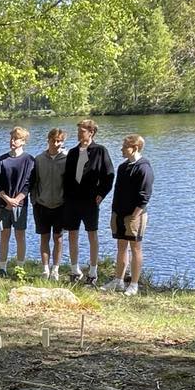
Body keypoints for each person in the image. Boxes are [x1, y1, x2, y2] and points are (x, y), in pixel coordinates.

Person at [61, 118, 114, 286]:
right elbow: (67, 176)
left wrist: (101, 194)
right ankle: (75, 269)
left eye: (82, 131)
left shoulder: (100, 151)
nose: (79, 134)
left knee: (92, 234)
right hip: (72, 200)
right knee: (72, 234)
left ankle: (93, 271)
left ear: (91, 132)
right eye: (78, 131)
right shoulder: (73, 152)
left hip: (90, 200)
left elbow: (109, 175)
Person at [104, 134, 154, 296]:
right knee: (121, 247)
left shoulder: (144, 167)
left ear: (135, 148)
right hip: (119, 213)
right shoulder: (123, 167)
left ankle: (133, 284)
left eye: (125, 146)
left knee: (136, 247)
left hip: (135, 215)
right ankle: (118, 280)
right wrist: (115, 211)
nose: (122, 149)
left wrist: (135, 216)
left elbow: (145, 195)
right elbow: (118, 191)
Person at [0, 126, 34, 275]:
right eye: (11, 138)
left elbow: (29, 184)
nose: (12, 141)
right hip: (3, 204)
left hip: (20, 205)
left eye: (16, 139)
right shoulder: (1, 160)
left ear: (23, 141)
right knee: (4, 235)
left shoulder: (29, 160)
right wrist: (7, 199)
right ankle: (2, 268)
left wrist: (16, 200)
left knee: (20, 236)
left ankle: (19, 269)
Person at [32, 128, 67, 279]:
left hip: (61, 205)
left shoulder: (67, 159)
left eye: (59, 141)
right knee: (44, 237)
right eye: (53, 140)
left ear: (63, 142)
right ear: (48, 141)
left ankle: (56, 270)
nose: (56, 144)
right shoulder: (39, 159)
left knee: (58, 238)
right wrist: (34, 201)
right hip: (42, 204)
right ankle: (45, 269)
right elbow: (34, 182)